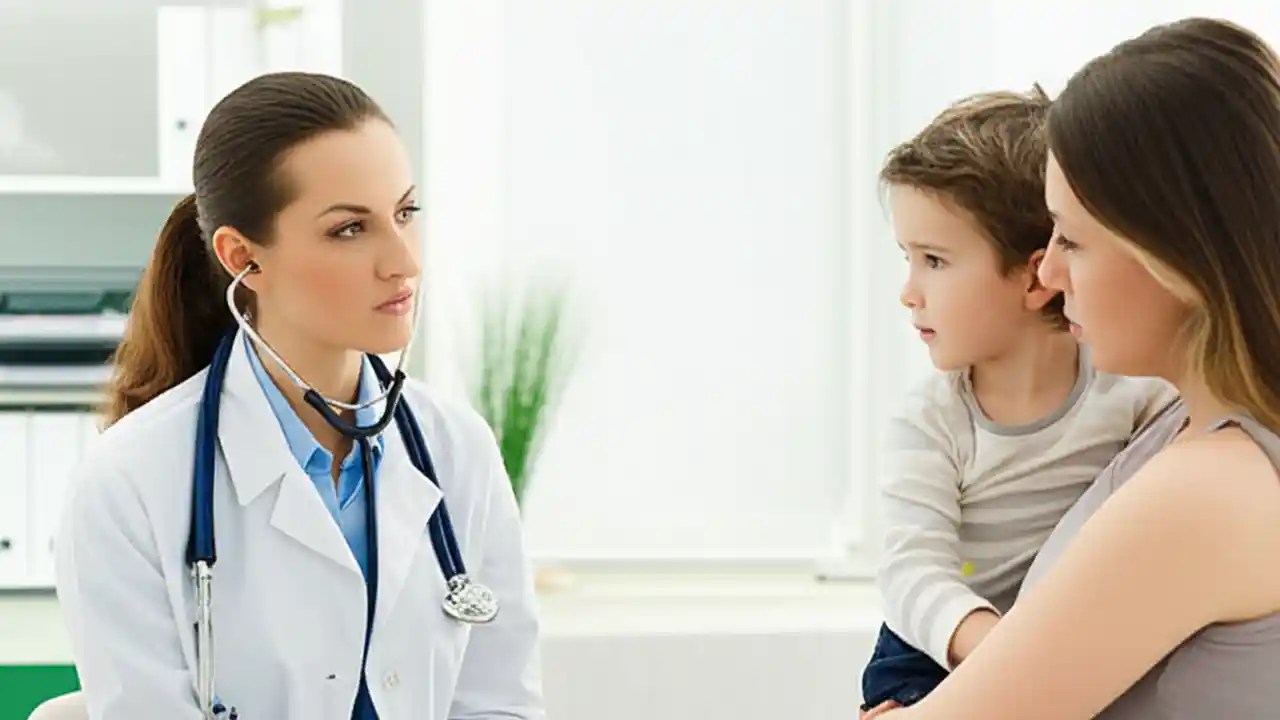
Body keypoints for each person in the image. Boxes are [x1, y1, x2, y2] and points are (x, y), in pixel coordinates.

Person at [54, 72, 545, 719]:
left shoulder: (458, 450)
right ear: (242, 258)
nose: (403, 261)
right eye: (350, 229)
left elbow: (499, 704)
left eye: (404, 213)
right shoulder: (132, 481)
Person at [879, 17, 1280, 719]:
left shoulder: (1206, 491)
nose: (1051, 273)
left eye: (1072, 238)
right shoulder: (1187, 432)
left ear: (1172, 256)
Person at [859, 88, 1172, 716]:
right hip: (936, 647)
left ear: (1034, 278)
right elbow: (911, 570)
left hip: (1050, 634)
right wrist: (1006, 652)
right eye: (907, 258)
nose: (908, 293)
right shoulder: (931, 421)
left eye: (935, 260)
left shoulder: (1129, 390)